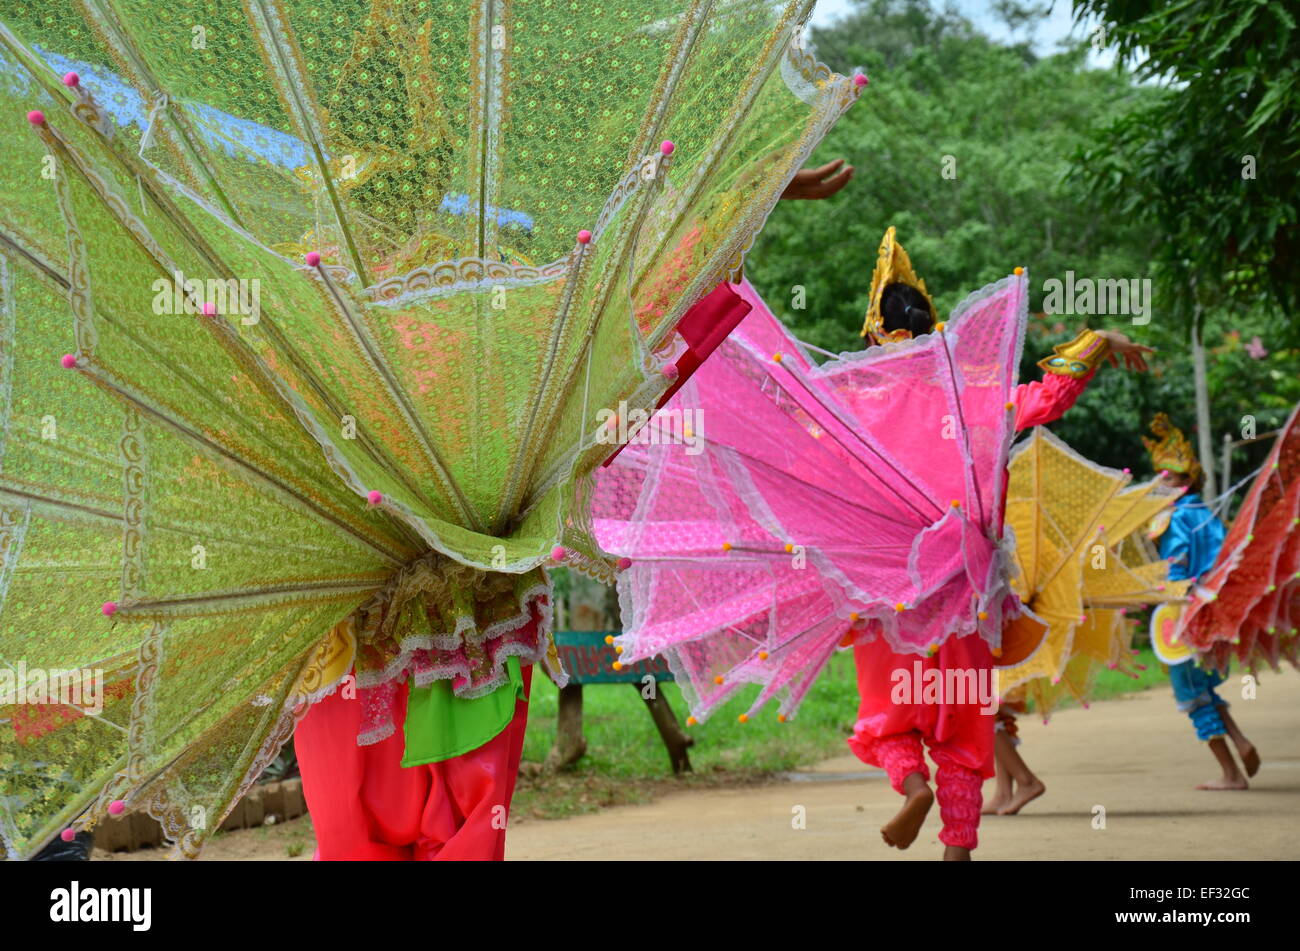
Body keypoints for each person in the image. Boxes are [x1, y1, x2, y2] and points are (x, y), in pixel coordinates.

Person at [296, 159, 857, 861]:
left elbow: (626, 326)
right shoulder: (354, 301)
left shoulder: (462, 291)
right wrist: (736, 201)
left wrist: (739, 200)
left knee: (382, 837)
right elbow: (630, 320)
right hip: (387, 622)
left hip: (442, 618)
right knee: (397, 836)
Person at [847, 228, 1152, 857]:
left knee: (891, 716)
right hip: (967, 595)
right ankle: (957, 852)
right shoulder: (976, 398)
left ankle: (912, 790)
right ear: (936, 336)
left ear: (875, 338)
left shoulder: (849, 406)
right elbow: (1048, 399)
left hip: (889, 595)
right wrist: (1099, 341)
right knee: (962, 727)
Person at [1144, 413, 1261, 790]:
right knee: (1203, 689)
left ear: (1187, 479)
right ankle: (1240, 744)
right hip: (1209, 612)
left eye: (1171, 477)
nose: (1163, 483)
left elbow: (1177, 571)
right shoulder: (1204, 514)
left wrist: (1161, 589)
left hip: (1184, 616)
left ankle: (1230, 774)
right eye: (1161, 476)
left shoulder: (1176, 518)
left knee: (1191, 695)